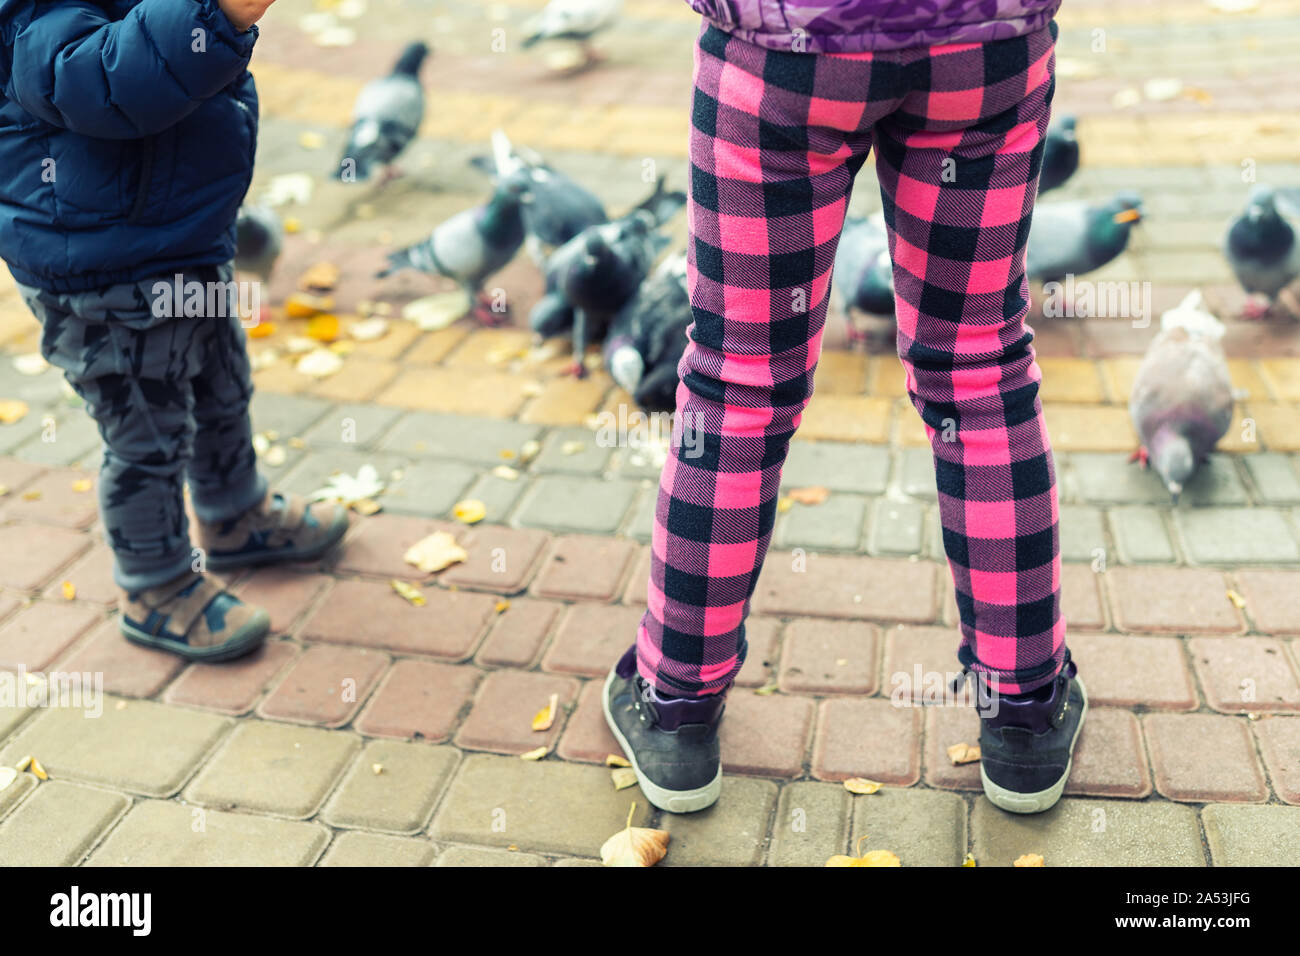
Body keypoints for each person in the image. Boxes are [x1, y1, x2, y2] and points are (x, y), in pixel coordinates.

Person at [603, 0, 1086, 816]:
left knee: (738, 382)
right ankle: (1026, 713)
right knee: (980, 367)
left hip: (784, 49)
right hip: (984, 46)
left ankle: (675, 705)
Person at [0, 0, 347, 661]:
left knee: (220, 377)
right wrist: (214, 14)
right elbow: (100, 84)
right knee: (147, 431)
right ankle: (154, 584)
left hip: (173, 228)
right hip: (103, 264)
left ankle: (234, 510)